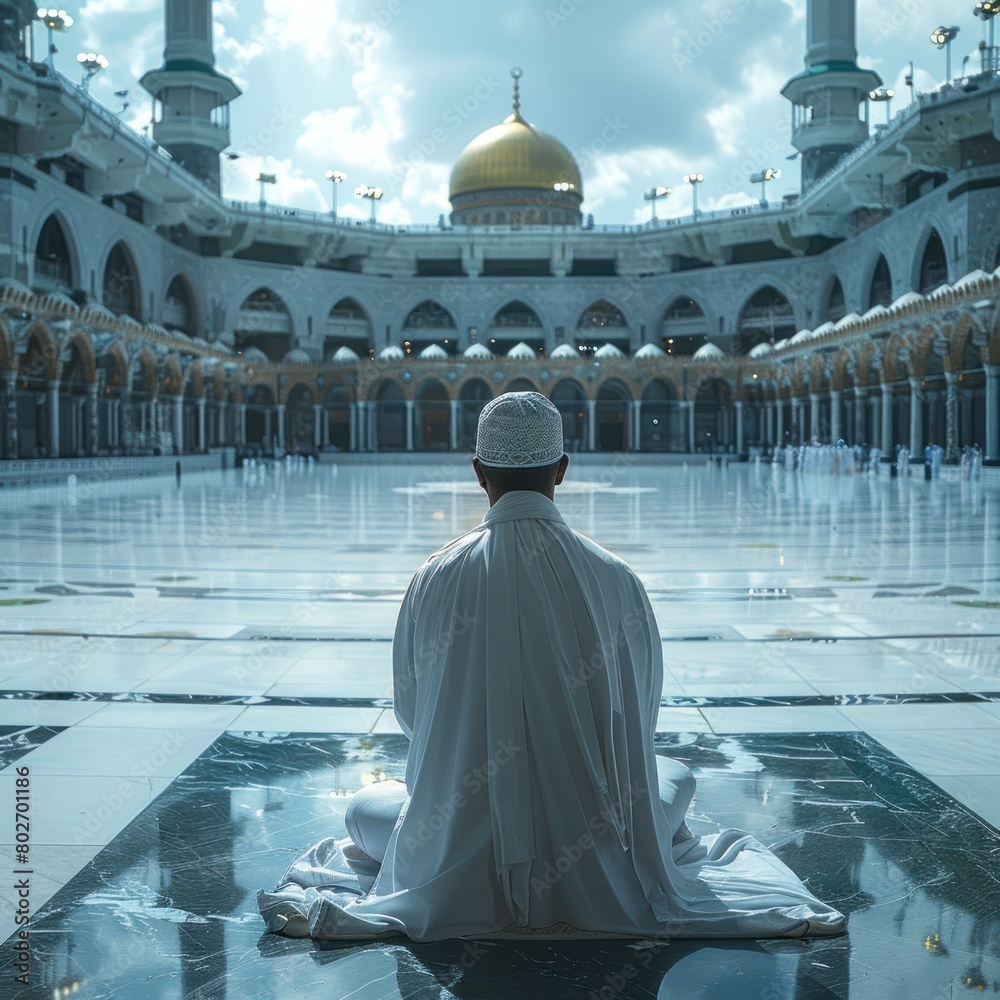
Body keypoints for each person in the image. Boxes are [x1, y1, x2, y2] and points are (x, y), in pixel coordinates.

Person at [258, 392, 845, 942]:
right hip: (597, 846)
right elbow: (640, 718)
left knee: (364, 809)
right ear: (561, 469)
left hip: (454, 837)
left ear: (478, 472)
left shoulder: (433, 576)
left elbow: (413, 715)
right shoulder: (615, 577)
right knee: (675, 777)